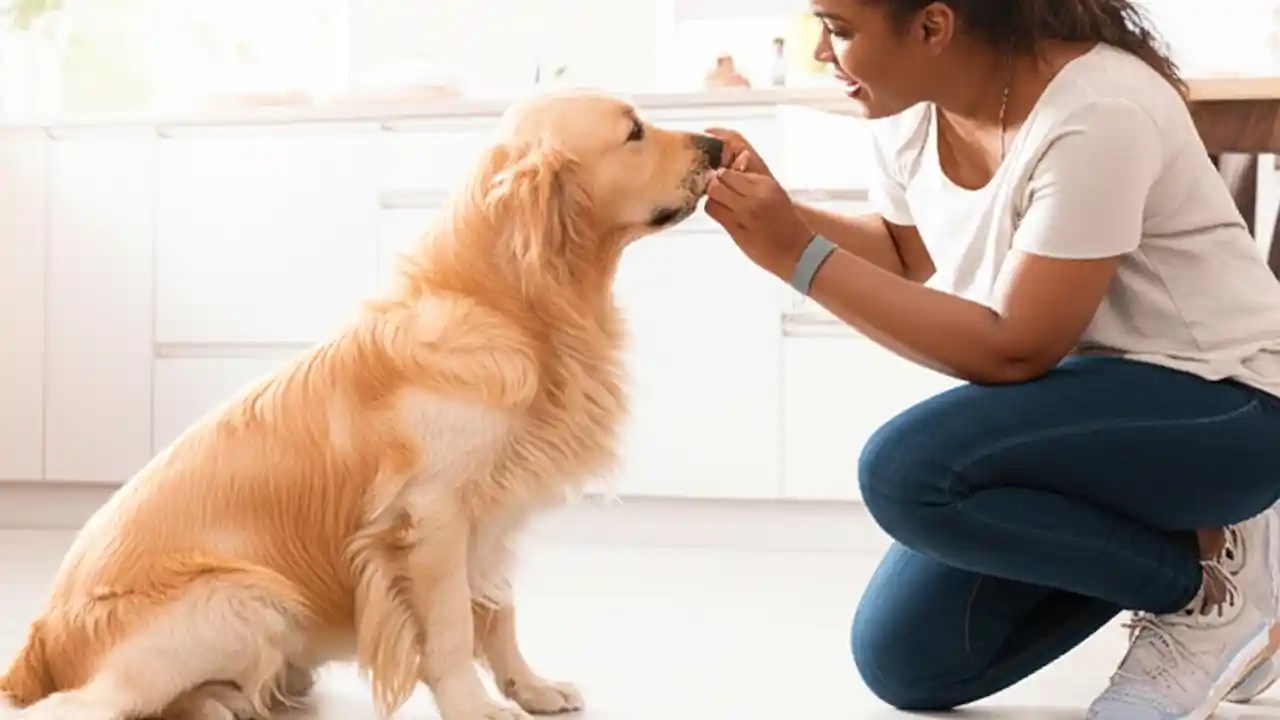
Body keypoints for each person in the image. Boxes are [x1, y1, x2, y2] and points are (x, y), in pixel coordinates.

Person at [701, 0, 1280, 718]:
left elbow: (1016, 348)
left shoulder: (1098, 109)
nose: (820, 51)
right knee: (908, 664)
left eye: (840, 29)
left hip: (1231, 409)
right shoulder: (914, 110)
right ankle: (1210, 553)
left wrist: (795, 255)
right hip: (1093, 412)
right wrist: (774, 216)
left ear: (933, 26)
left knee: (907, 471)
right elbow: (903, 251)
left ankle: (1208, 601)